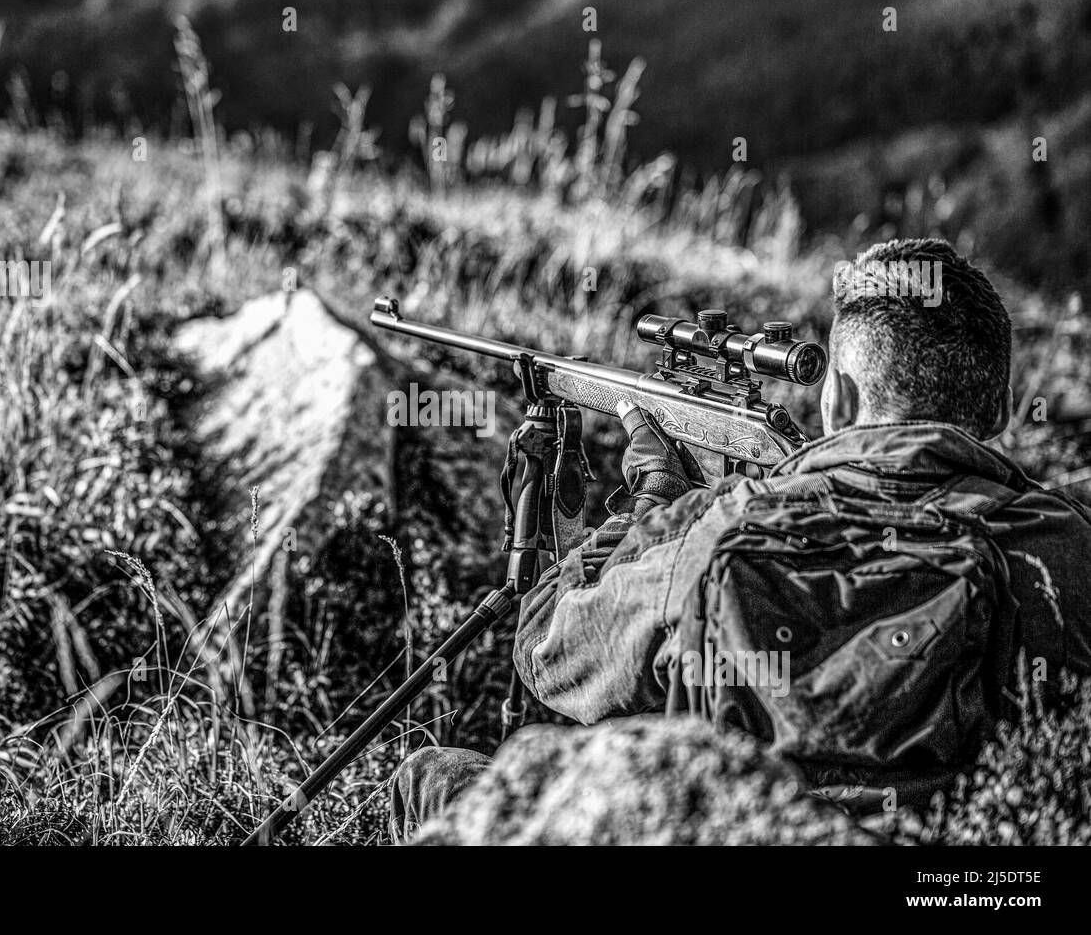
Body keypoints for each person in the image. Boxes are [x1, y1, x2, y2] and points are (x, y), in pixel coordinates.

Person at [390, 238, 1091, 843]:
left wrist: (652, 505)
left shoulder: (723, 523)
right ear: (998, 411)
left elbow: (548, 651)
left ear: (838, 400)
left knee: (431, 777)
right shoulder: (1066, 547)